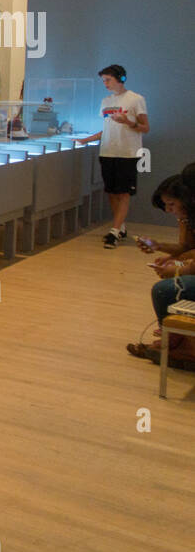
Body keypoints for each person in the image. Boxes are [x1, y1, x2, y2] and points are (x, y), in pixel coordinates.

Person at [77, 64, 149, 248]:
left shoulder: (136, 99)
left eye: (108, 79)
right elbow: (107, 129)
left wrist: (128, 121)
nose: (106, 83)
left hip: (127, 153)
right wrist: (85, 140)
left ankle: (114, 231)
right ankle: (120, 227)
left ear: (121, 78)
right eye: (104, 80)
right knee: (111, 191)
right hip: (108, 151)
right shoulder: (106, 101)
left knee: (123, 193)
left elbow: (145, 128)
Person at [127, 174, 195, 364]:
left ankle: (179, 346)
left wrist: (178, 268)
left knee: (164, 290)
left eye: (171, 204)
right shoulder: (187, 218)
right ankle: (176, 340)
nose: (168, 210)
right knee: (166, 288)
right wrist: (159, 247)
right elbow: (186, 248)